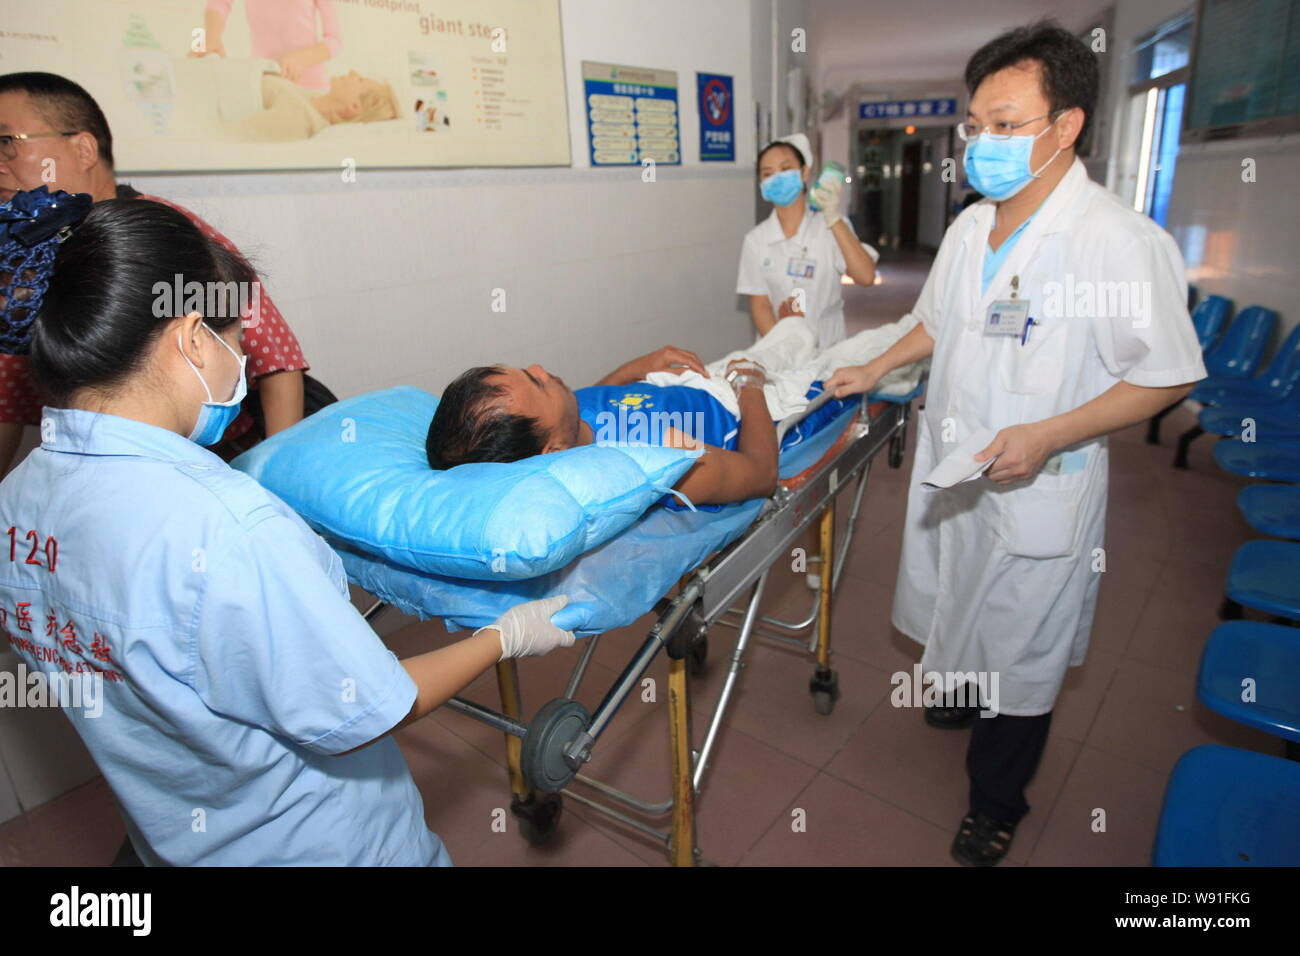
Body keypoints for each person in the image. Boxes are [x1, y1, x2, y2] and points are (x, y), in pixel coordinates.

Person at [0, 190, 577, 865]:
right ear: (191, 339)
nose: (242, 362)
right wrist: (506, 635)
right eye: (236, 340)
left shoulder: (15, 503)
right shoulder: (229, 525)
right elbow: (371, 709)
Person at [826, 21, 1206, 867]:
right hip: (957, 469)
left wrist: (1048, 433)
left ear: (1065, 126)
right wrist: (875, 367)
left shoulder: (1114, 240)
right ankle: (960, 691)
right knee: (954, 597)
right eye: (976, 126)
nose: (982, 144)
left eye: (1006, 125)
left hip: (1041, 481)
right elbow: (935, 322)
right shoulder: (971, 228)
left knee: (1024, 646)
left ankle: (996, 803)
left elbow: (1169, 375)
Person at [0, 71, 309, 474]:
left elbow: (275, 358)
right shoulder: (22, 259)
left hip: (207, 460)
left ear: (83, 148)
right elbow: (7, 390)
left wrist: (275, 480)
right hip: (98, 471)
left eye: (7, 143)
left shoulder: (164, 239)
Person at [424, 315, 926, 507]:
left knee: (796, 331)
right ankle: (929, 345)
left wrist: (643, 364)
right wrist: (751, 385)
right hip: (765, 411)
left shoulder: (566, 429)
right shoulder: (658, 466)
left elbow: (598, 399)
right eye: (536, 381)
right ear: (551, 448)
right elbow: (758, 474)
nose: (539, 366)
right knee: (881, 351)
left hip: (708, 380)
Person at [737, 132, 878, 348]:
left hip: (828, 351)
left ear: (804, 173)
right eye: (768, 173)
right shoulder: (756, 240)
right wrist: (783, 349)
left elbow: (866, 276)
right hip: (778, 353)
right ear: (761, 184)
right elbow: (761, 306)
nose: (777, 178)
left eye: (785, 169)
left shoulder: (831, 227)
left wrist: (833, 218)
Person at [195, 0, 342, 92]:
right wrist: (212, 36)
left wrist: (300, 59)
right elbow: (219, 3)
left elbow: (335, 41)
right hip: (263, 85)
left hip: (310, 89)